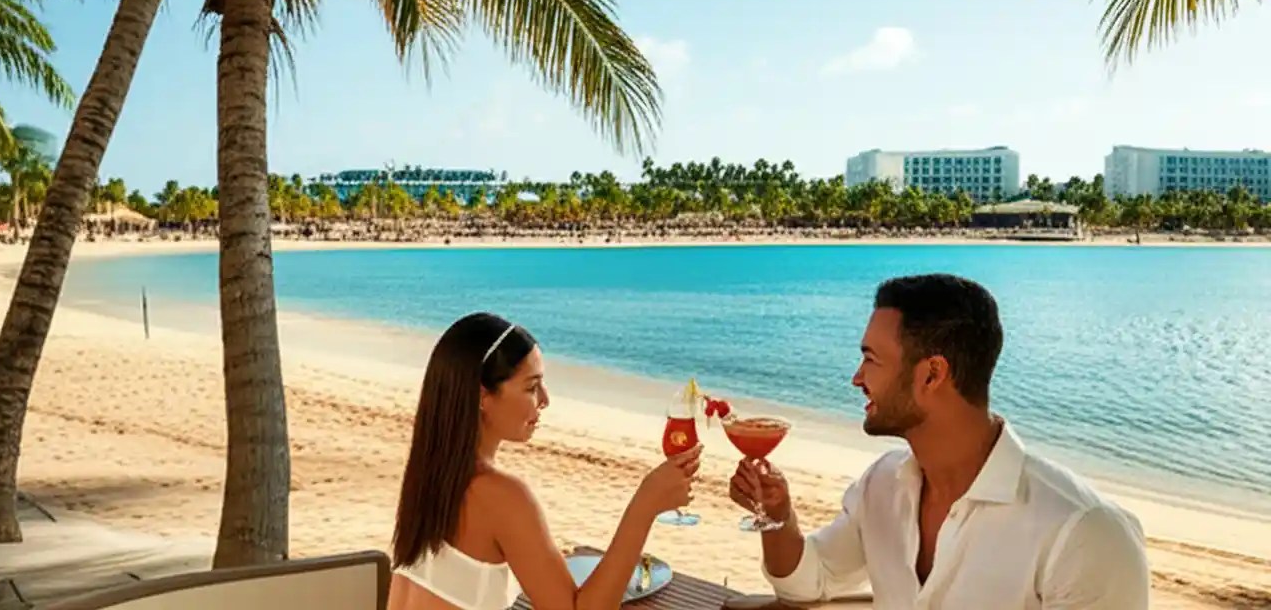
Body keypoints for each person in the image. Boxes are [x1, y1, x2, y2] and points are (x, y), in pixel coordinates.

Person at [728, 274, 1150, 609]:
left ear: (932, 374)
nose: (857, 378)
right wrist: (779, 516)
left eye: (871, 359)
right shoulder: (882, 485)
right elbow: (808, 583)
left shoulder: (1084, 531)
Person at [388, 312, 702, 610]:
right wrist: (645, 506)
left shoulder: (429, 479)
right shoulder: (501, 495)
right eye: (531, 387)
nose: (545, 400)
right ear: (482, 396)